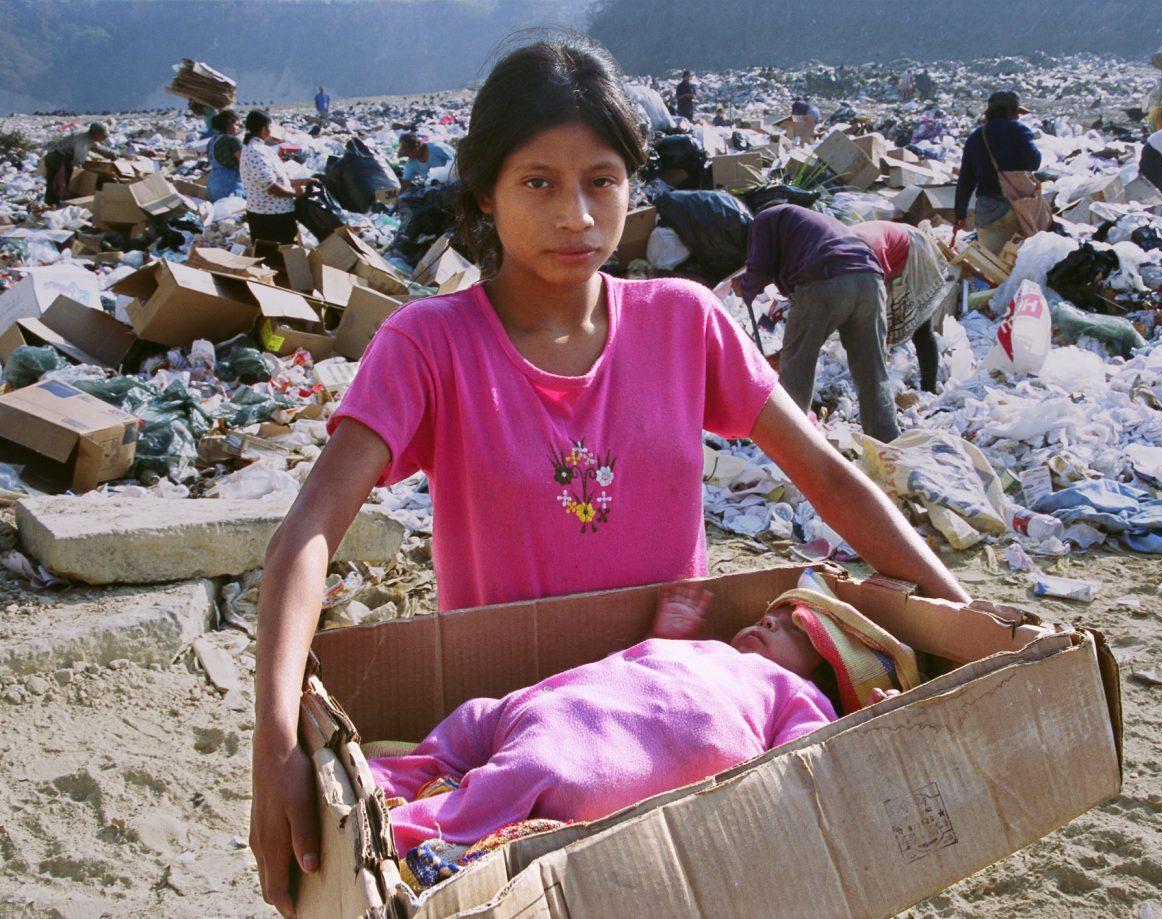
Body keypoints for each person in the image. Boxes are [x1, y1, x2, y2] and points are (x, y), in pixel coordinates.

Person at [249, 37, 969, 917]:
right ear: (486, 193)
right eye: (538, 182)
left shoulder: (684, 323)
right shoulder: (429, 346)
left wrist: (964, 618)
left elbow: (829, 478)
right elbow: (309, 532)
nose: (577, 217)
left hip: (683, 747)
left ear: (633, 189)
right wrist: (274, 746)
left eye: (601, 180)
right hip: (514, 746)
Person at [369, 570, 913, 859]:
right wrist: (667, 638)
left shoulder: (795, 695)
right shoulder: (709, 653)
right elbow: (642, 681)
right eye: (773, 615)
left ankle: (397, 831)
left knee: (525, 775)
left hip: (592, 758)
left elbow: (810, 758)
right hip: (552, 707)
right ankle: (394, 778)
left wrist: (867, 730)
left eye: (798, 632)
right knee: (474, 717)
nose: (773, 623)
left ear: (826, 676)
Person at [733, 204, 900, 442]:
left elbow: (758, 270)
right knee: (872, 368)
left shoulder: (763, 220)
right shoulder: (810, 223)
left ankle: (790, 442)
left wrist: (745, 287)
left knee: (797, 366)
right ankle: (888, 441)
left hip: (824, 280)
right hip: (870, 280)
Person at [851, 221, 950, 393]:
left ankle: (929, 388)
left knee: (921, 327)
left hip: (913, 250)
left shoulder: (870, 254)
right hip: (890, 253)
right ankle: (876, 386)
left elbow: (874, 296)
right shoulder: (841, 250)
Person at [954, 90, 1042, 255]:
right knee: (1019, 263)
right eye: (1017, 113)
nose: (1018, 117)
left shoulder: (976, 137)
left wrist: (960, 213)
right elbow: (1034, 162)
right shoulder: (1019, 130)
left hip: (987, 209)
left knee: (992, 266)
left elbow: (966, 179)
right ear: (1009, 111)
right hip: (1017, 205)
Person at [239, 109, 315, 245]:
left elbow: (278, 180)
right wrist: (296, 192)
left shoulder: (260, 149)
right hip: (271, 216)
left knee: (274, 259)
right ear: (264, 129)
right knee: (280, 258)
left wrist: (302, 181)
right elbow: (270, 187)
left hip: (269, 213)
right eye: (270, 126)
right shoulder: (256, 151)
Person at [42, 122, 116, 205]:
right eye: (103, 135)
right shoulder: (84, 140)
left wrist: (111, 154)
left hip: (52, 155)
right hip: (59, 159)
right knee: (64, 184)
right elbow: (78, 161)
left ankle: (50, 205)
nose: (105, 138)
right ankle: (60, 205)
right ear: (96, 134)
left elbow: (97, 147)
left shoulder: (88, 136)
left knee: (52, 183)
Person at [205, 110, 244, 202]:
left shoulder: (212, 141)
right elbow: (243, 163)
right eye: (236, 124)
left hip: (212, 184)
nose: (237, 128)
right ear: (229, 125)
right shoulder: (232, 140)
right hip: (230, 185)